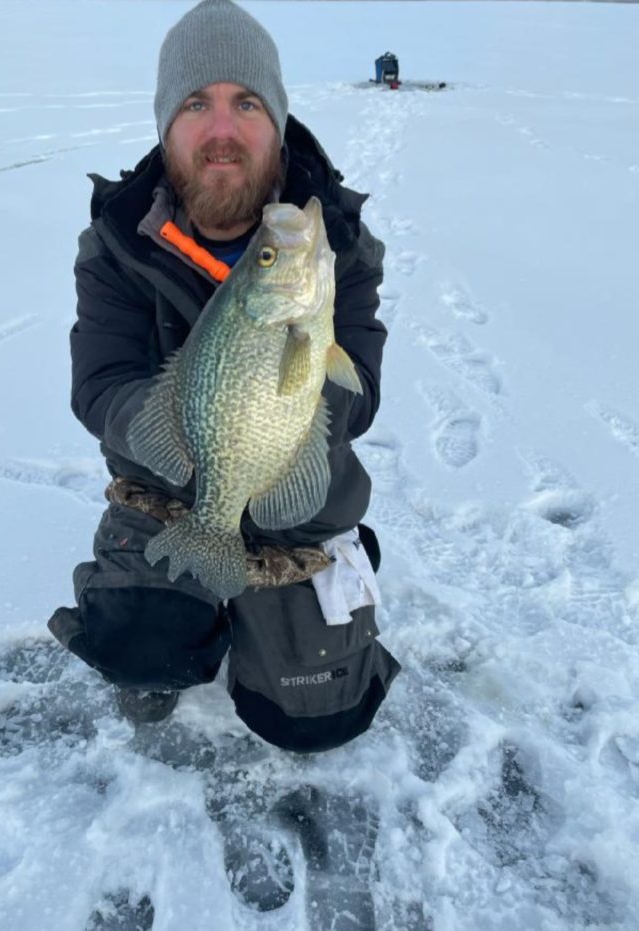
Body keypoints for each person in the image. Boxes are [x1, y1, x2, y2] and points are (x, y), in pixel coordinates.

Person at [48, 0, 399, 754]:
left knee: (318, 720)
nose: (221, 130)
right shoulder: (115, 241)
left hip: (298, 500)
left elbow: (361, 391)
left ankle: (289, 604)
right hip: (169, 490)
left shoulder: (335, 244)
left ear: (276, 121)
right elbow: (99, 383)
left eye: (246, 103)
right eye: (195, 104)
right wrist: (177, 422)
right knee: (139, 646)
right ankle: (181, 611)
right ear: (165, 126)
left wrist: (293, 391)